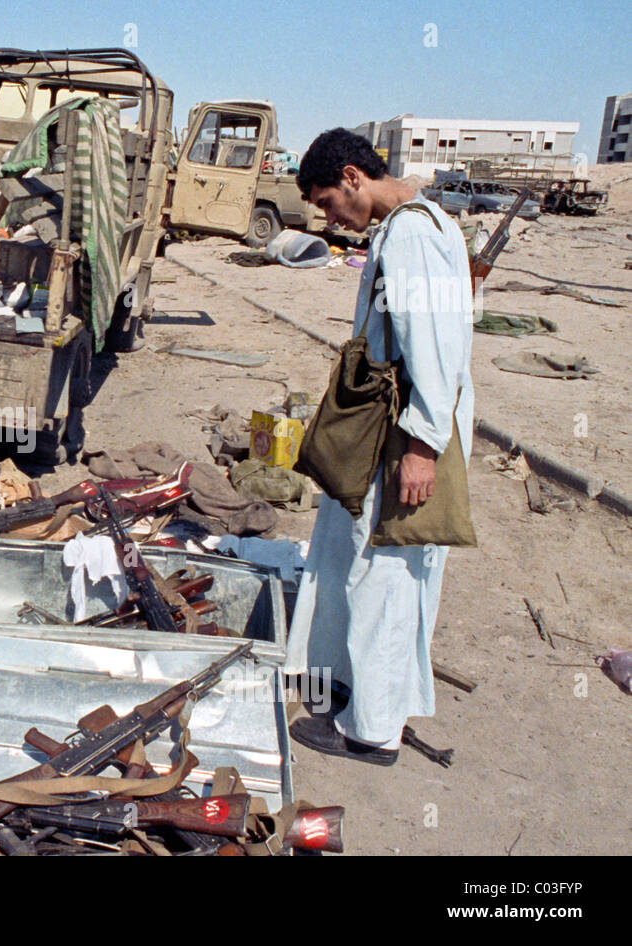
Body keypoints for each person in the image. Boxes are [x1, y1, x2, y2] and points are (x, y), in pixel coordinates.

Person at [285, 128, 474, 765]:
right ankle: (351, 688)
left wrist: (422, 445)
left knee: (386, 573)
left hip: (409, 430)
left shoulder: (415, 233)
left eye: (329, 202)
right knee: (358, 556)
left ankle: (371, 730)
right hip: (399, 421)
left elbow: (434, 346)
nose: (329, 218)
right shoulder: (414, 224)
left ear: (352, 176)